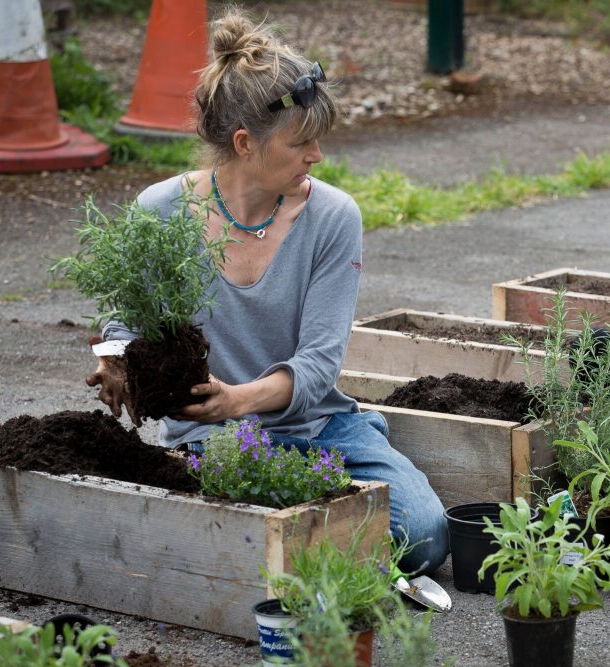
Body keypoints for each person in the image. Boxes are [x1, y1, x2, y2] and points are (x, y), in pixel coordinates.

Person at [86, 9, 448, 574]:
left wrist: (239, 399)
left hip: (321, 427)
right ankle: (311, 560)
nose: (317, 157)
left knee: (423, 534)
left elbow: (320, 363)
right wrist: (114, 359)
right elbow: (129, 320)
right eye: (302, 142)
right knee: (221, 544)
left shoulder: (333, 217)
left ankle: (300, 558)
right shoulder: (159, 210)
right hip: (211, 438)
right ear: (244, 143)